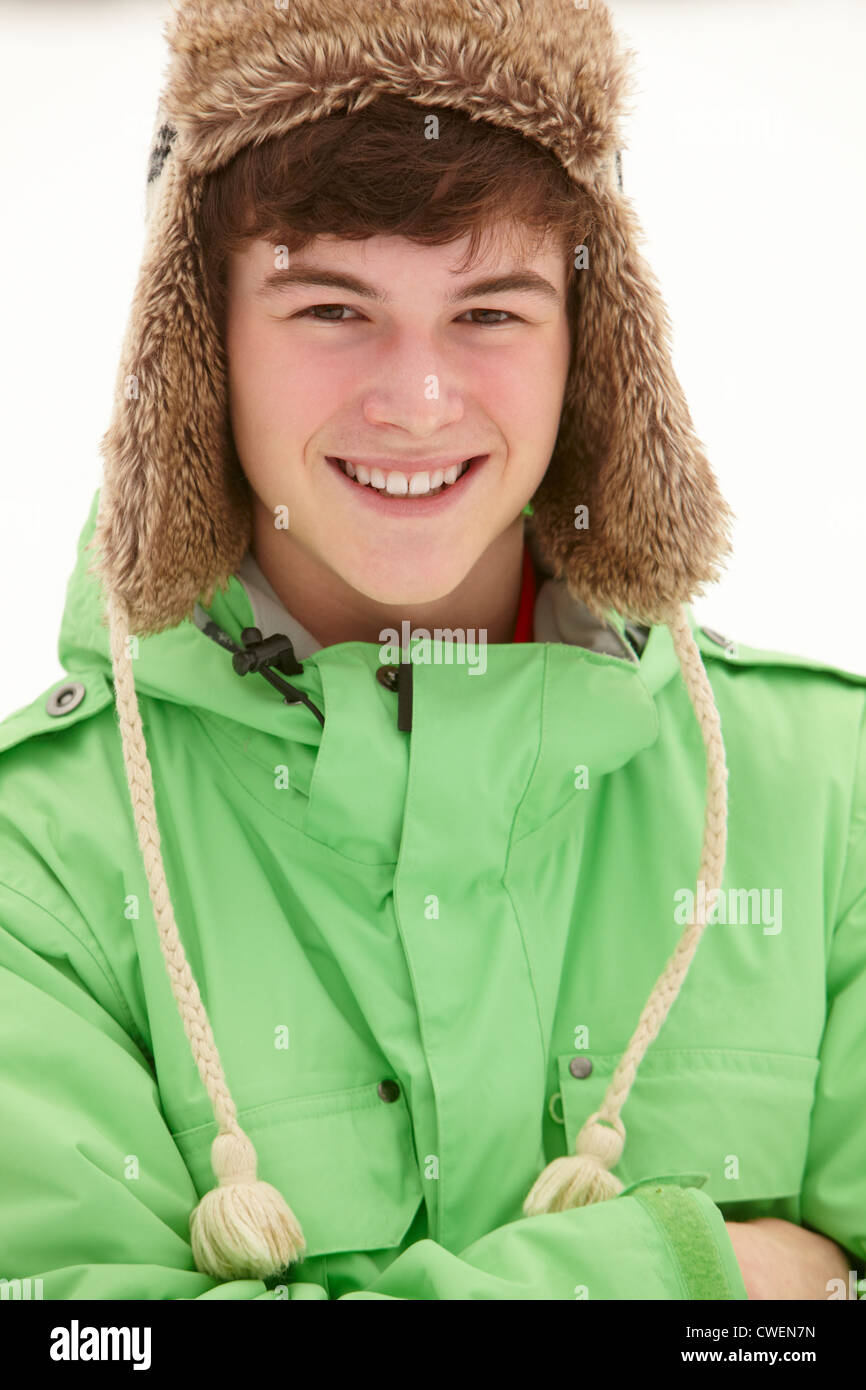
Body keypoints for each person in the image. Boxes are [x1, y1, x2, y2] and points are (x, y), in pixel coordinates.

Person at [0, 0, 863, 1302]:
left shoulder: (826, 793)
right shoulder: (41, 863)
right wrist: (681, 1273)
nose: (414, 399)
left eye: (490, 311)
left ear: (591, 345)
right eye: (333, 307)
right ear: (197, 345)